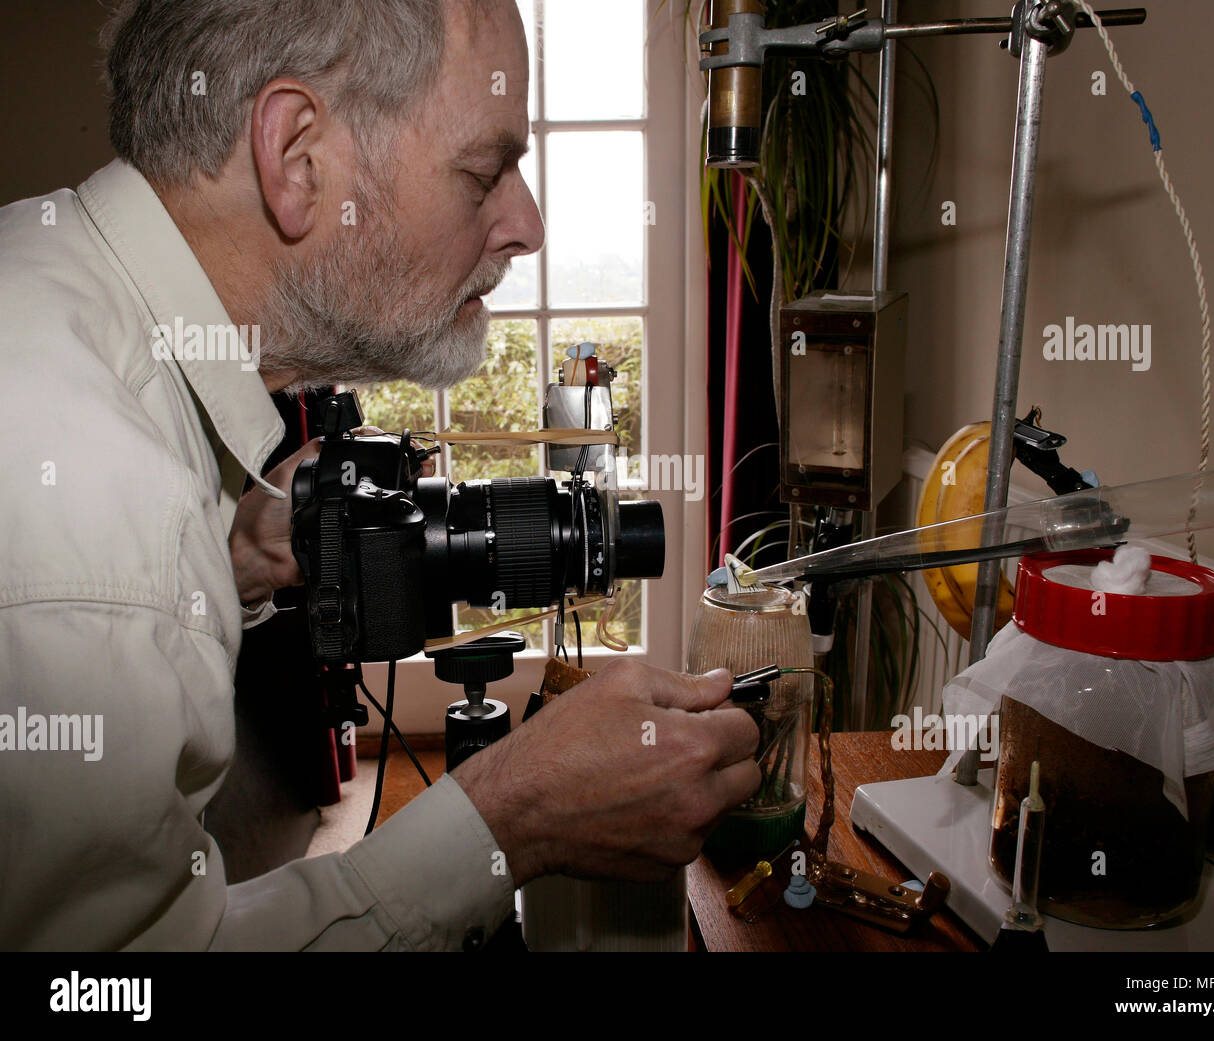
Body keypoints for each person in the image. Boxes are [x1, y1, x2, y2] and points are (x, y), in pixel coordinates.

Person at [0, 0, 760, 951]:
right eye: (484, 171)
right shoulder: (96, 520)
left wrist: (228, 561)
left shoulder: (52, 306)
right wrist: (512, 818)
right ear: (298, 157)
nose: (524, 224)